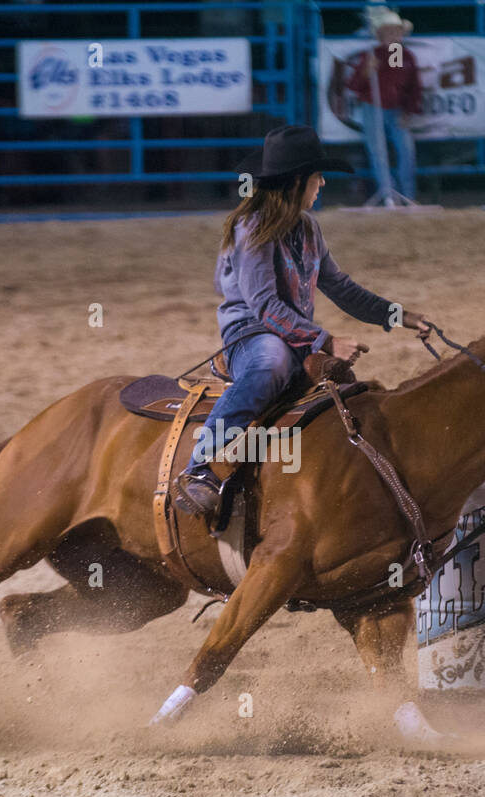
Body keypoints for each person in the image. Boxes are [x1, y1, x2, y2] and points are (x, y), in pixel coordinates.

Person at [172, 125, 434, 520]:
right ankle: (199, 466)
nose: (323, 183)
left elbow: (340, 287)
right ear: (297, 181)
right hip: (251, 334)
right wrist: (325, 341)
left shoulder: (308, 228)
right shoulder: (253, 230)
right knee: (270, 365)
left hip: (292, 333)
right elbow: (265, 306)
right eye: (317, 176)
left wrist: (398, 316)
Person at [345, 6, 423, 203]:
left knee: (405, 151)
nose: (393, 35)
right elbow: (354, 85)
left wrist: (409, 110)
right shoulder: (372, 55)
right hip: (374, 107)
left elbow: (410, 86)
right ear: (380, 34)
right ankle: (389, 194)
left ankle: (405, 194)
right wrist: (367, 71)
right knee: (379, 152)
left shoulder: (401, 55)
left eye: (396, 31)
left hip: (396, 109)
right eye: (388, 31)